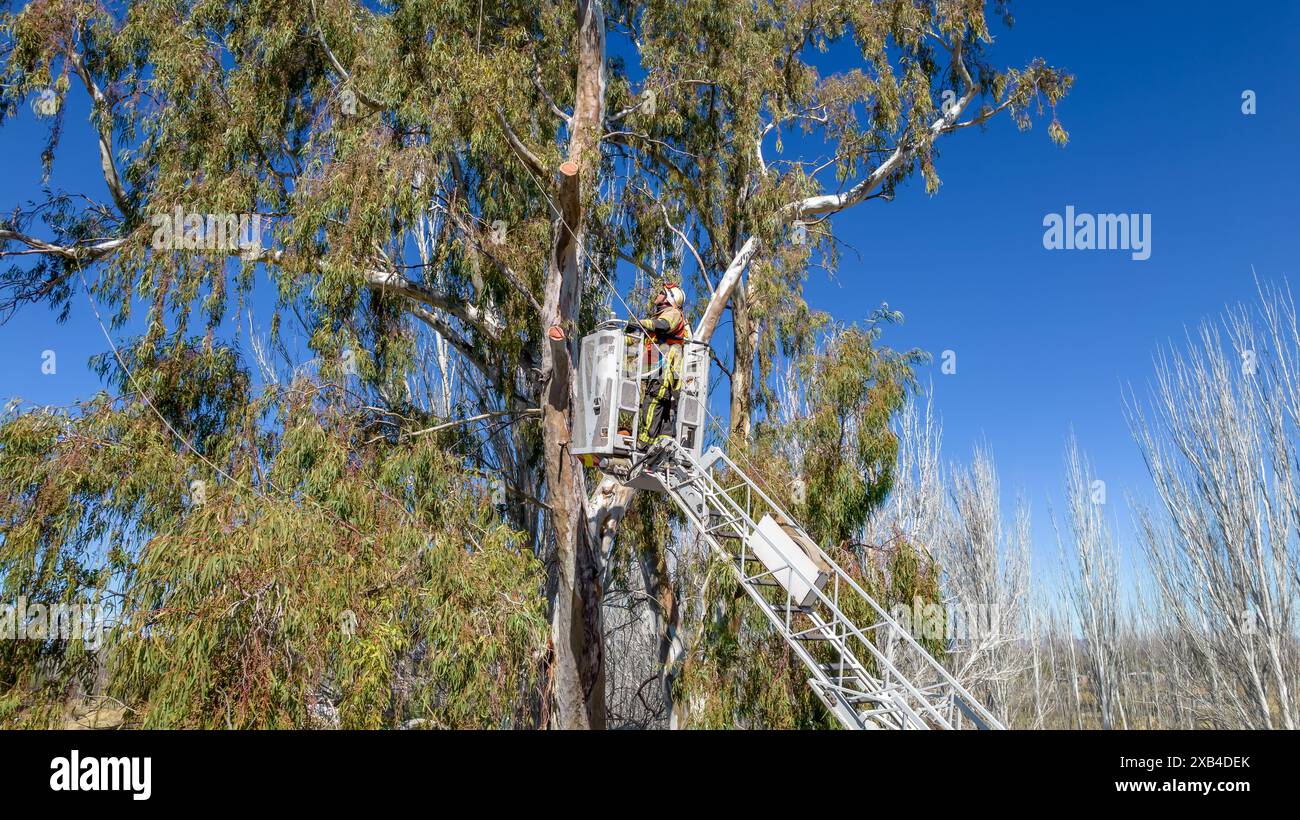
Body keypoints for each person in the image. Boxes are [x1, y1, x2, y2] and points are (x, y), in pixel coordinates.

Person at [627, 282, 689, 448]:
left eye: (662, 293)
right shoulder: (658, 319)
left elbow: (664, 325)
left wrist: (642, 323)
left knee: (653, 403)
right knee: (662, 410)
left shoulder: (673, 313)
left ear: (669, 298)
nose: (658, 295)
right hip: (655, 370)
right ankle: (663, 444)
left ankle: (645, 443)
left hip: (663, 371)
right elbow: (638, 340)